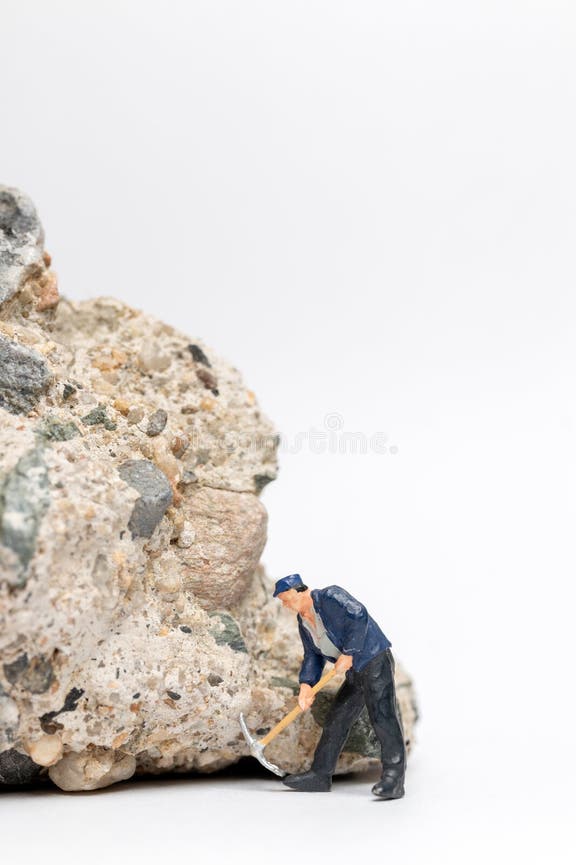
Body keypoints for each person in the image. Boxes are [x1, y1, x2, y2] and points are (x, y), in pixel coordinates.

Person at [273, 573, 406, 799]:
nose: (285, 605)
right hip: (354, 672)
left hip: (374, 662)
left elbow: (359, 614)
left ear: (301, 591)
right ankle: (321, 775)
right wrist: (306, 684)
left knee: (382, 717)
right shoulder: (303, 621)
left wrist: (350, 652)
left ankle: (394, 778)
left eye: (287, 599)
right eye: (282, 602)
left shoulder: (330, 596)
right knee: (337, 719)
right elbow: (312, 656)